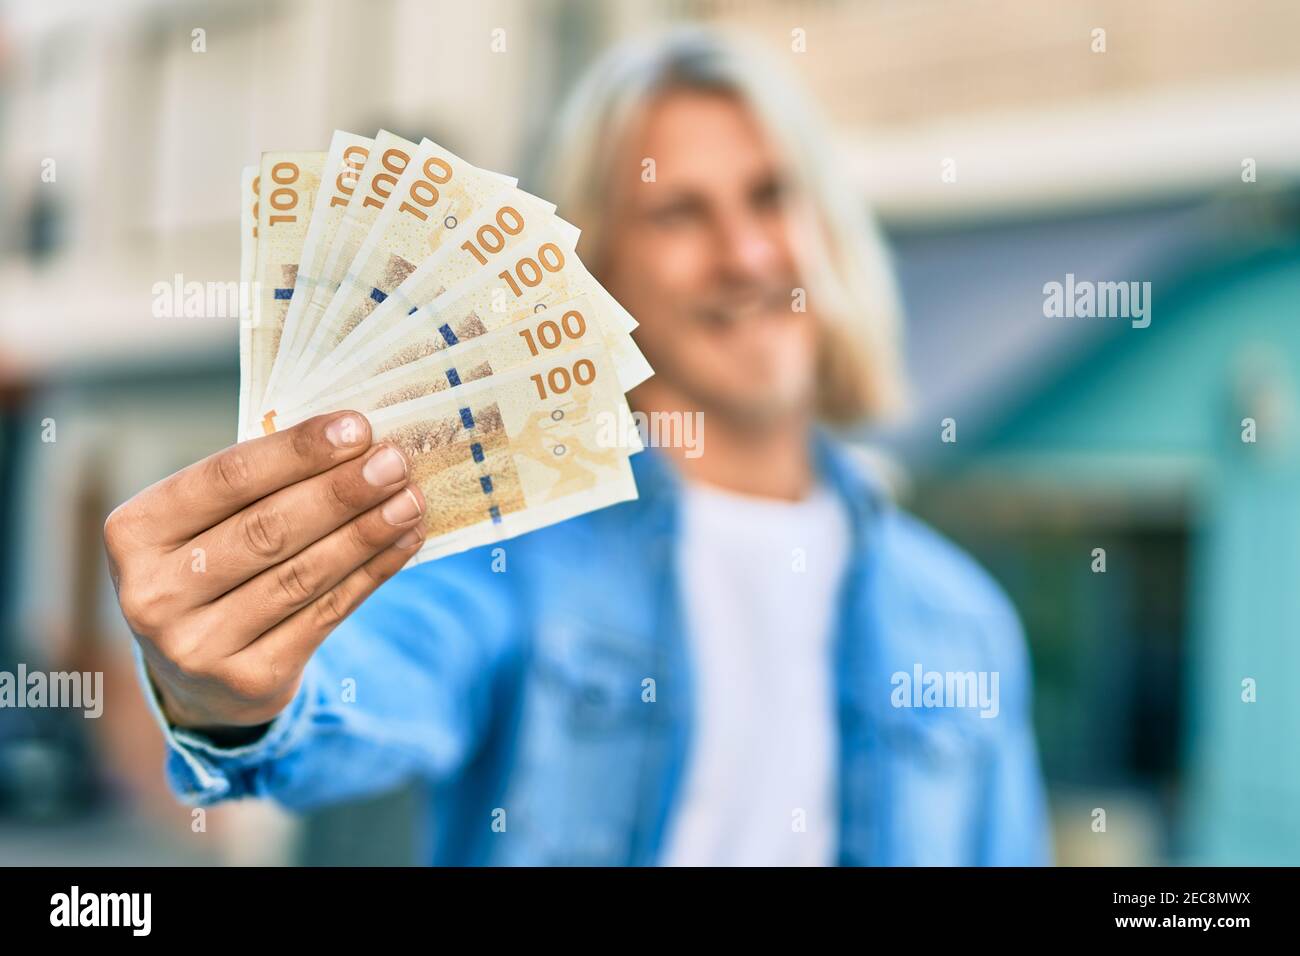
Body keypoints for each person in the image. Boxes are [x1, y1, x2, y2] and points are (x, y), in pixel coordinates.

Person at [103, 27, 1049, 865]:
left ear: (828, 232)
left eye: (770, 197)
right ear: (597, 270)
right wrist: (229, 700)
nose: (746, 254)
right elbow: (368, 691)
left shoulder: (961, 619)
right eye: (679, 211)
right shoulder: (517, 557)